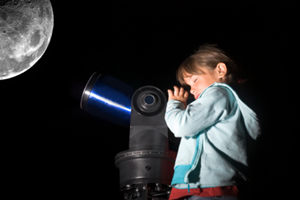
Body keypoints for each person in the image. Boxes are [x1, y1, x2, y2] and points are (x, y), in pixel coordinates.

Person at [165, 44, 261, 200]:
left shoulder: (218, 92)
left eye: (195, 80)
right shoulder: (226, 101)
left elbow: (181, 126)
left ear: (220, 70)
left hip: (207, 188)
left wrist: (174, 105)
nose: (192, 89)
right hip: (204, 186)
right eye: (189, 85)